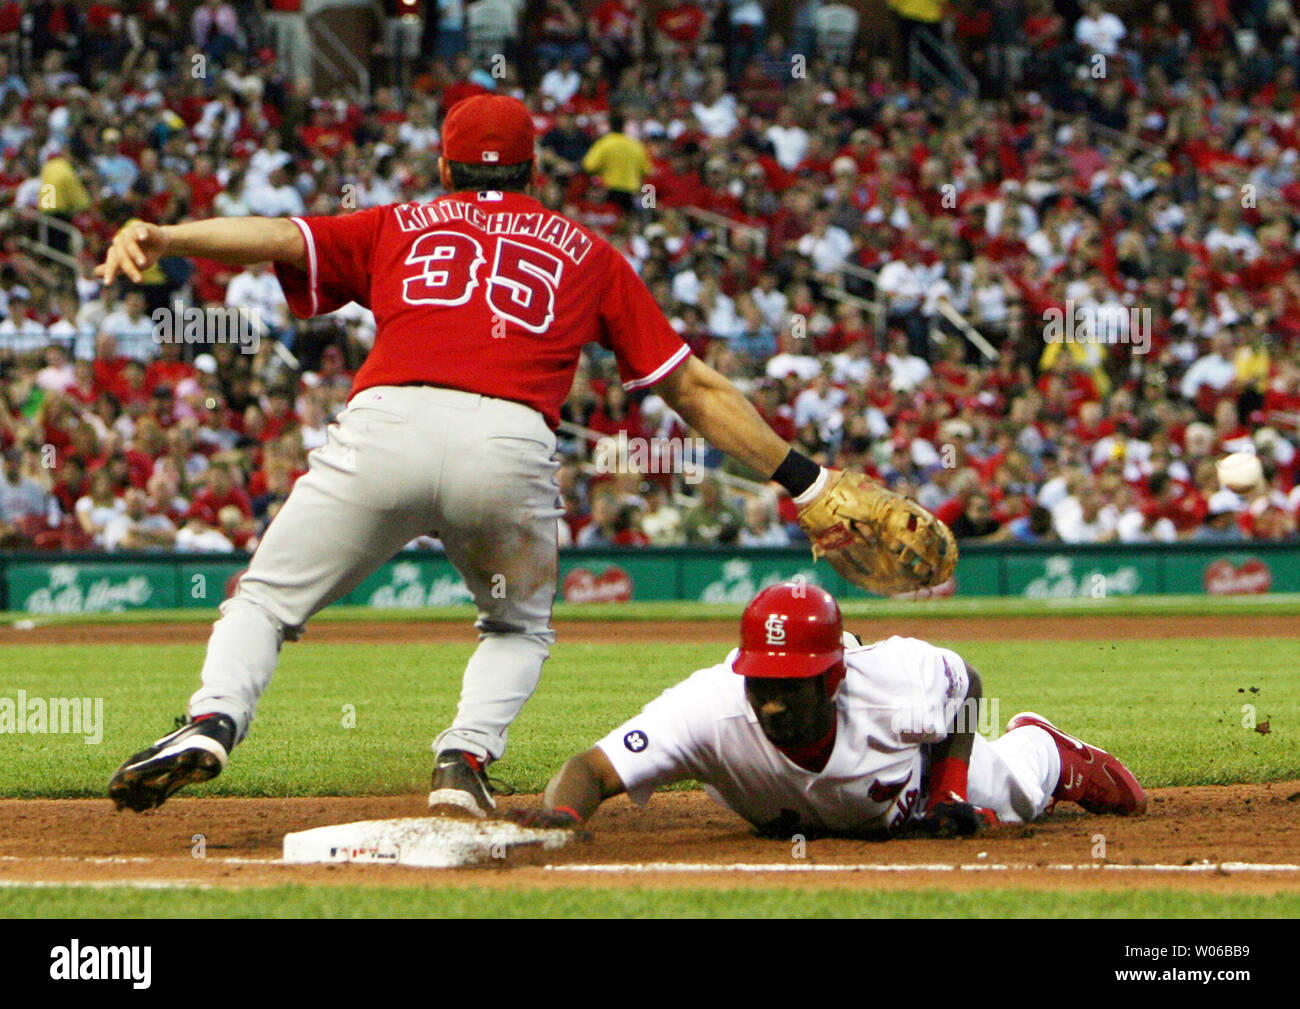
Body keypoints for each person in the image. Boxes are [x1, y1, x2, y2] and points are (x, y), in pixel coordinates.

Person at [100, 94, 861, 818]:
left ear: (443, 169)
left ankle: (213, 719)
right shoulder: (590, 253)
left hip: (386, 424)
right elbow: (692, 389)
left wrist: (168, 237)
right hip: (508, 441)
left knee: (264, 601)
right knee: (515, 626)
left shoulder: (398, 223)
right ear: (535, 173)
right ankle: (463, 759)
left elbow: (275, 234)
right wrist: (807, 479)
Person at [507, 583, 1146, 836]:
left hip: (913, 783)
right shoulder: (709, 706)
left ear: (835, 676)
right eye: (763, 681)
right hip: (807, 807)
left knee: (1010, 796)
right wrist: (559, 818)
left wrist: (950, 791)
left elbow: (967, 685)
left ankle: (1050, 750)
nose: (774, 700)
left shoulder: (894, 684)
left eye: (794, 683)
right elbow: (590, 769)